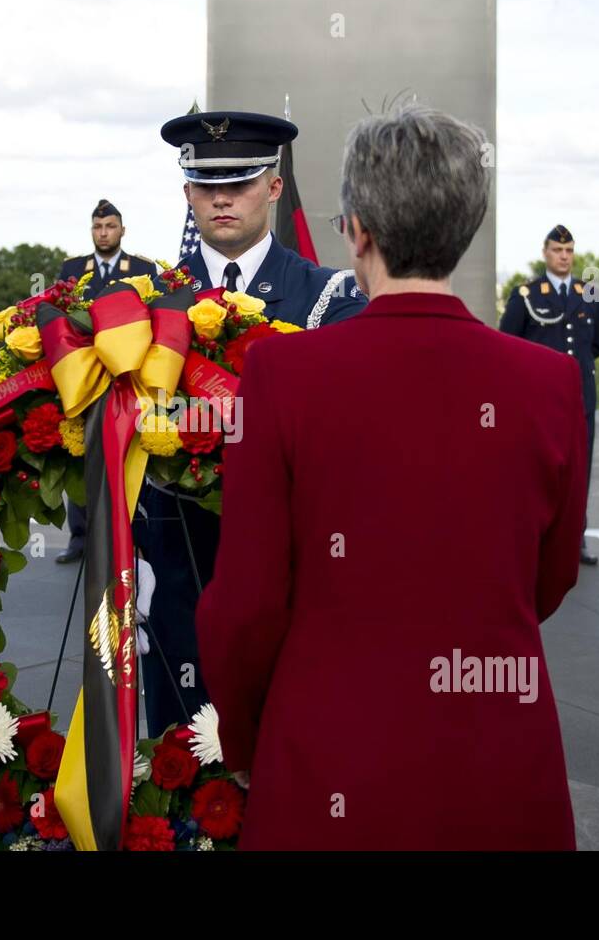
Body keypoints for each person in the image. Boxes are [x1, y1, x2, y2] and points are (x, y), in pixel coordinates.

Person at [195, 103, 583, 850]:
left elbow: (243, 606)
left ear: (358, 229)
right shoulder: (551, 382)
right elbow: (550, 579)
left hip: (329, 760)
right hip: (502, 764)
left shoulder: (281, 374)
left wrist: (246, 744)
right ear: (463, 226)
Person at [134, 111, 368, 739]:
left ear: (273, 187)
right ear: (187, 193)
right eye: (206, 185)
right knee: (177, 781)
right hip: (175, 578)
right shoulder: (143, 305)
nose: (221, 198)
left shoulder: (330, 299)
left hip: (289, 590)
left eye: (238, 182)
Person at [55, 199, 160, 564]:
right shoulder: (72, 269)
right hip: (87, 376)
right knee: (83, 453)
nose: (104, 233)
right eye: (98, 227)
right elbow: (61, 320)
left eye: (110, 226)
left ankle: (133, 533)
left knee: (132, 451)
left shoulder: (143, 268)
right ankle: (80, 539)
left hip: (129, 376)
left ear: (122, 230)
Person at [499, 226, 599, 564]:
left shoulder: (588, 292)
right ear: (545, 252)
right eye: (558, 250)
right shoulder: (528, 294)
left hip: (580, 398)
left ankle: (576, 539)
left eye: (569, 250)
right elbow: (509, 342)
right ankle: (539, 537)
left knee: (580, 469)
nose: (564, 256)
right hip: (541, 401)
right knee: (540, 468)